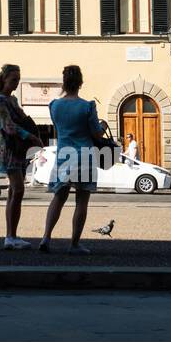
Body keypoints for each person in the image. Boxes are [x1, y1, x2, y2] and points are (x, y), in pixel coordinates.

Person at [38, 65, 105, 254]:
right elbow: (97, 134)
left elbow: (59, 129)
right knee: (81, 201)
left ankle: (46, 237)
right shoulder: (87, 106)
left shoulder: (55, 106)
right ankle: (74, 244)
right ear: (80, 83)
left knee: (58, 198)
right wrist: (102, 127)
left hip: (63, 154)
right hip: (84, 155)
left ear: (64, 83)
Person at [0, 63, 41, 249]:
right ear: (4, 79)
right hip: (10, 147)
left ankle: (11, 235)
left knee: (14, 191)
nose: (16, 83)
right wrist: (32, 136)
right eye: (13, 80)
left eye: (18, 80)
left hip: (16, 147)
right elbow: (8, 126)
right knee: (18, 190)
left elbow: (20, 118)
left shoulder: (10, 100)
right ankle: (10, 236)